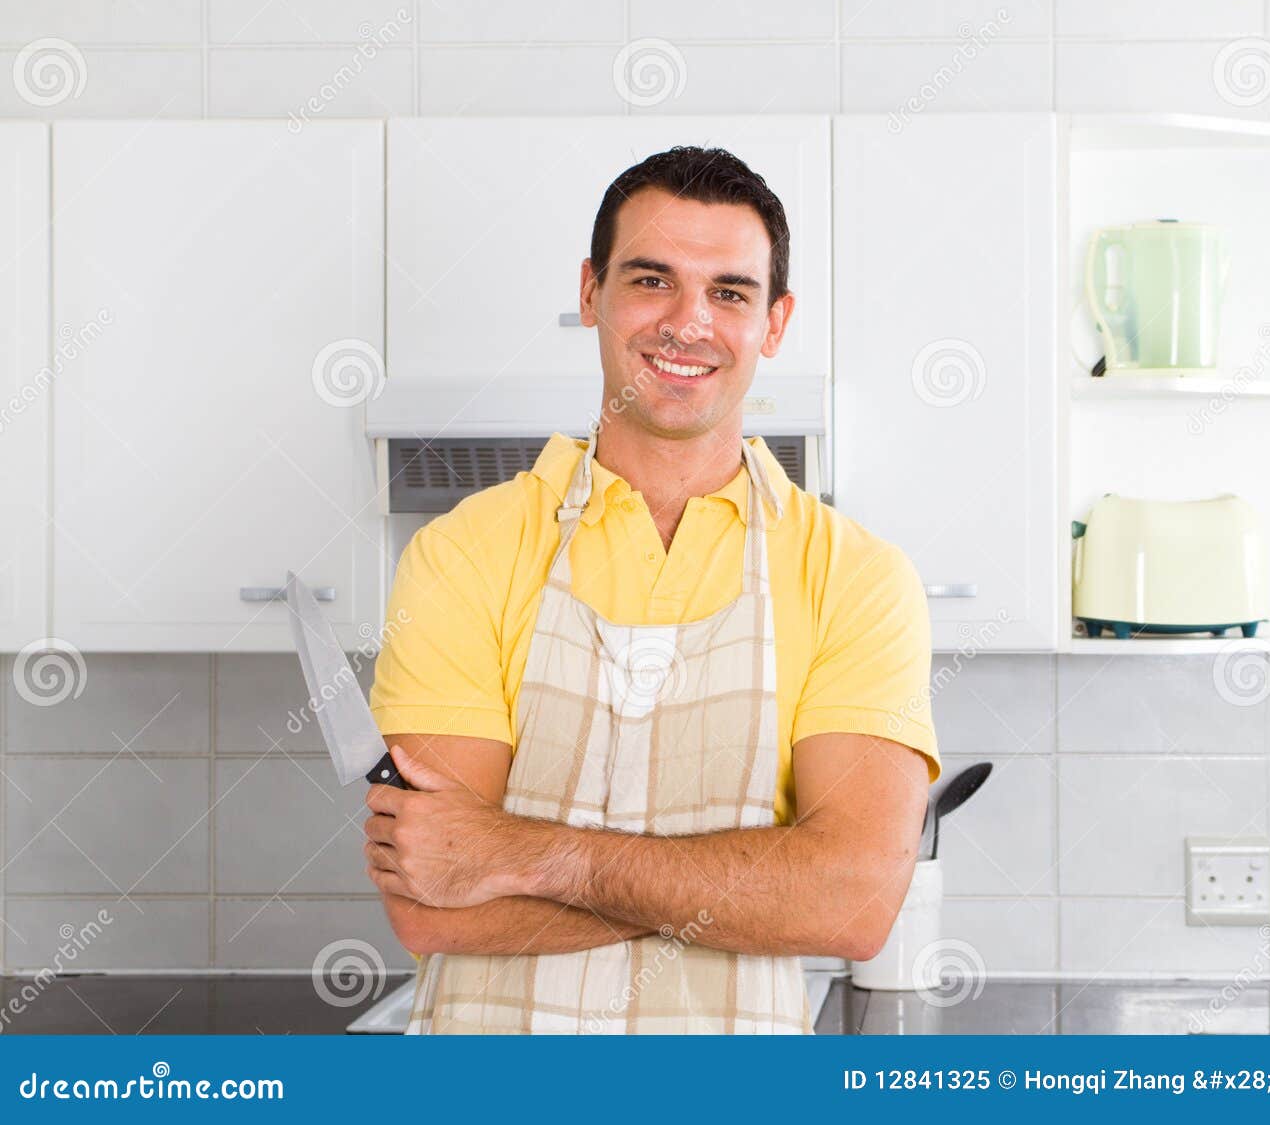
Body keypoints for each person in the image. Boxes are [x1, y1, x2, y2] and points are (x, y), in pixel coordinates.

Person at [363, 145, 940, 1034]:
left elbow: (852, 906)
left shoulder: (855, 576)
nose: (688, 322)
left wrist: (528, 856)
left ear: (774, 323)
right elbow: (433, 904)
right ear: (591, 292)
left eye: (730, 293)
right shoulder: (463, 553)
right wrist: (750, 890)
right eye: (651, 279)